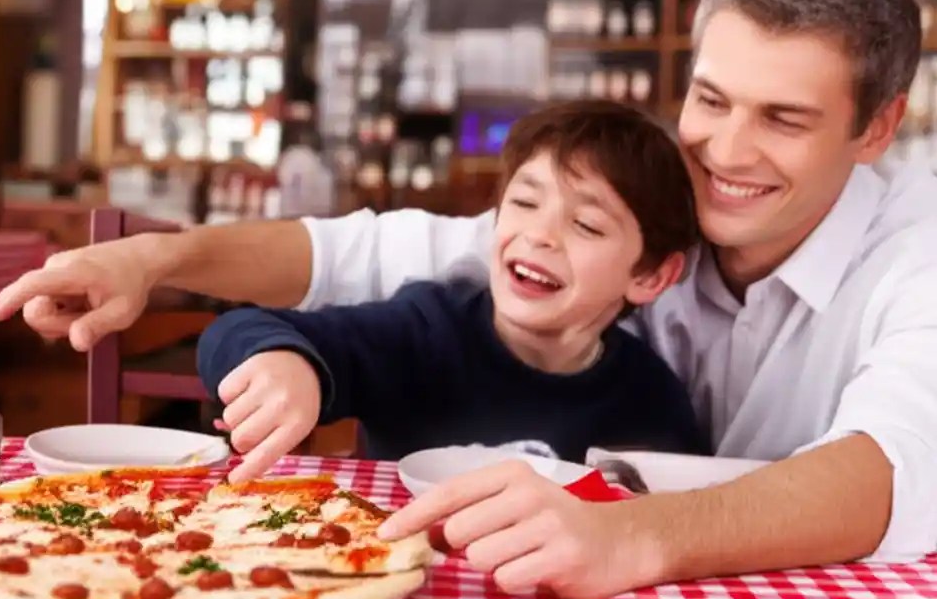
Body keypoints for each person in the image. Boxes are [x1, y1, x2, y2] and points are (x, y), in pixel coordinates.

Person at [0, 0, 937, 599]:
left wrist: (634, 537)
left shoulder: (918, 252)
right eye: (711, 100)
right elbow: (355, 253)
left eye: (783, 118)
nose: (725, 152)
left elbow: (891, 470)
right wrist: (154, 264)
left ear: (877, 127)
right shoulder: (646, 209)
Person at [195, 100, 709, 479]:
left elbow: (673, 524)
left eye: (588, 226)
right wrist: (288, 363)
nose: (539, 235)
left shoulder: (652, 397)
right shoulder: (423, 331)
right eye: (525, 203)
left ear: (650, 277)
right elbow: (235, 329)